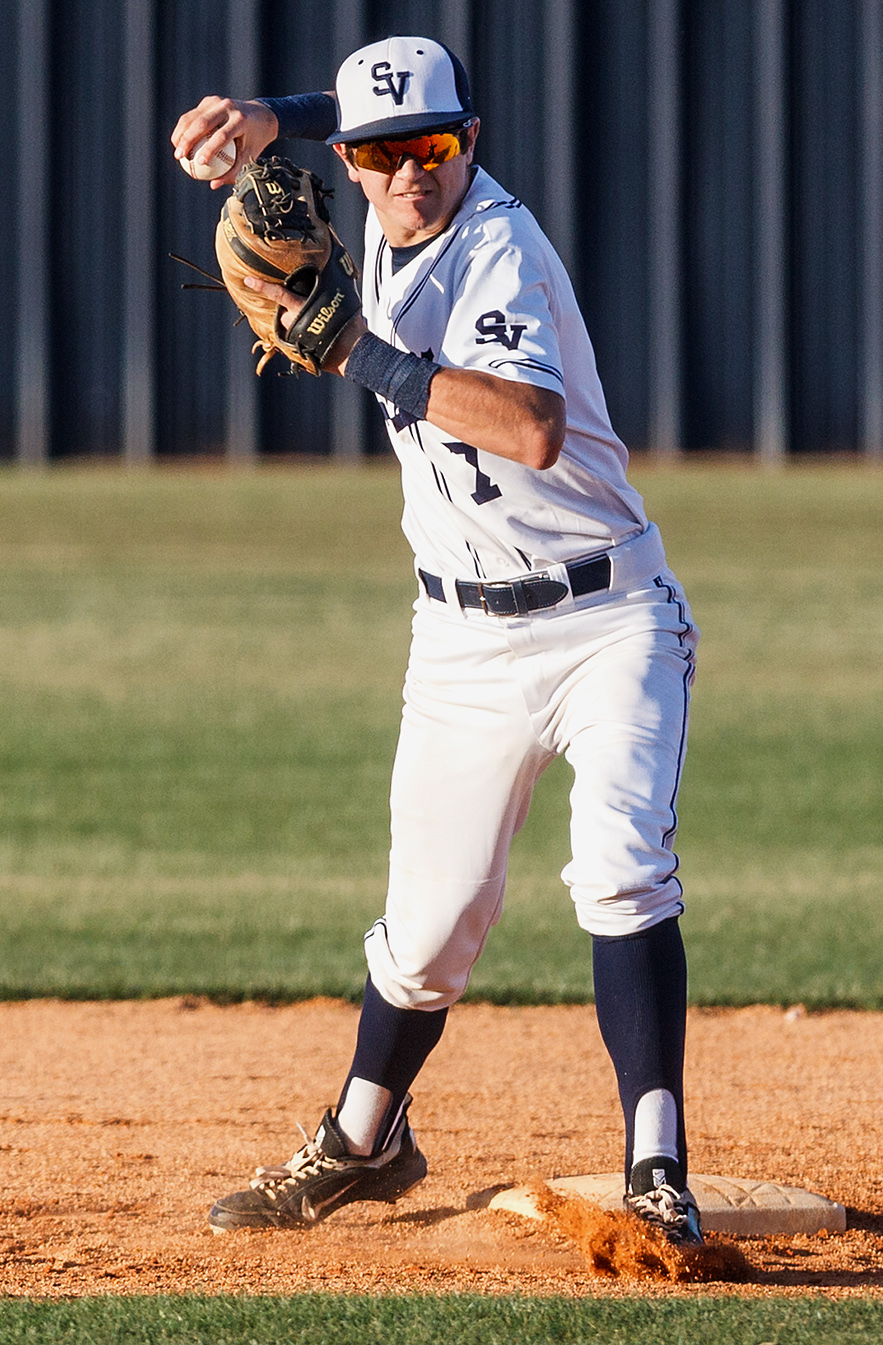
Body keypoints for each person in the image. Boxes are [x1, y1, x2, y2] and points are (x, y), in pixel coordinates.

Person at [171, 36, 706, 1244]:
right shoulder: (369, 199)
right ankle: (364, 1139)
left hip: (608, 620)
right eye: (381, 154)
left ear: (471, 142)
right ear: (350, 162)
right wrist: (266, 115)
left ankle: (656, 1163)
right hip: (460, 639)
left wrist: (353, 351)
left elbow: (528, 428)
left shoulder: (498, 248)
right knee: (422, 935)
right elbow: (352, 110)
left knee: (620, 869)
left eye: (435, 145)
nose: (410, 171)